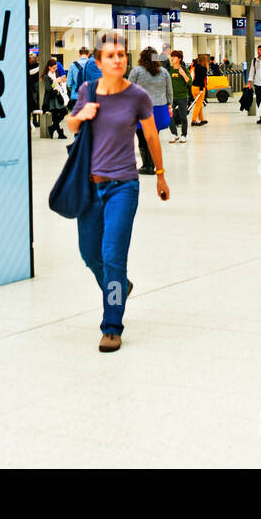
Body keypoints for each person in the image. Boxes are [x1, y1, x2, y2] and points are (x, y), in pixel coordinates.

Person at [66, 31, 169, 352]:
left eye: (121, 55)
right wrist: (80, 115)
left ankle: (112, 325)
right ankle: (121, 288)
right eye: (110, 56)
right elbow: (71, 125)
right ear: (98, 62)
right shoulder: (87, 90)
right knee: (89, 255)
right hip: (89, 187)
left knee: (112, 257)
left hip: (124, 187)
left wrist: (161, 175)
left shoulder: (137, 95)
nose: (118, 60)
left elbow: (151, 136)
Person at [129, 47, 172, 173]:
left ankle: (145, 165)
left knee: (141, 137)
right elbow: (169, 91)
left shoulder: (136, 71)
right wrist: (169, 104)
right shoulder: (163, 72)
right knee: (154, 137)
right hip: (159, 108)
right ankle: (153, 165)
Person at [167, 50, 193, 143]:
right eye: (172, 57)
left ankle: (184, 135)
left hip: (182, 96)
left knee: (183, 116)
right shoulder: (169, 69)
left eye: (174, 57)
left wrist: (183, 74)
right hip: (171, 97)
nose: (172, 59)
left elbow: (189, 82)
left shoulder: (183, 69)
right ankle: (174, 134)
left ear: (179, 59)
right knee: (169, 116)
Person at [42, 57, 69, 139]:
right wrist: (55, 82)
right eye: (54, 68)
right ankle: (59, 133)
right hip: (51, 99)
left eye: (56, 67)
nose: (55, 69)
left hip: (57, 96)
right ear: (49, 67)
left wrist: (59, 82)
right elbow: (49, 89)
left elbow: (56, 85)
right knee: (55, 115)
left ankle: (52, 128)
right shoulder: (46, 76)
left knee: (64, 111)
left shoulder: (55, 74)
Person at [248, 45, 261, 121]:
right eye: (258, 50)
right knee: (258, 100)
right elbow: (252, 71)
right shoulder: (254, 60)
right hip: (257, 83)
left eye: (260, 50)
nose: (259, 51)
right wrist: (249, 82)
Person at [190, 54, 210, 126]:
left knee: (199, 104)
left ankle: (201, 119)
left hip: (193, 87)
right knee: (198, 105)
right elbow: (201, 79)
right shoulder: (203, 68)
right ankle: (194, 120)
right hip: (200, 88)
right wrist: (201, 89)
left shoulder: (195, 67)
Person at [27, 53, 41, 128]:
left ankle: (36, 120)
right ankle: (35, 120)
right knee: (35, 103)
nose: (30, 59)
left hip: (34, 86)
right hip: (34, 86)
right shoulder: (37, 66)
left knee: (36, 103)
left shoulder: (31, 65)